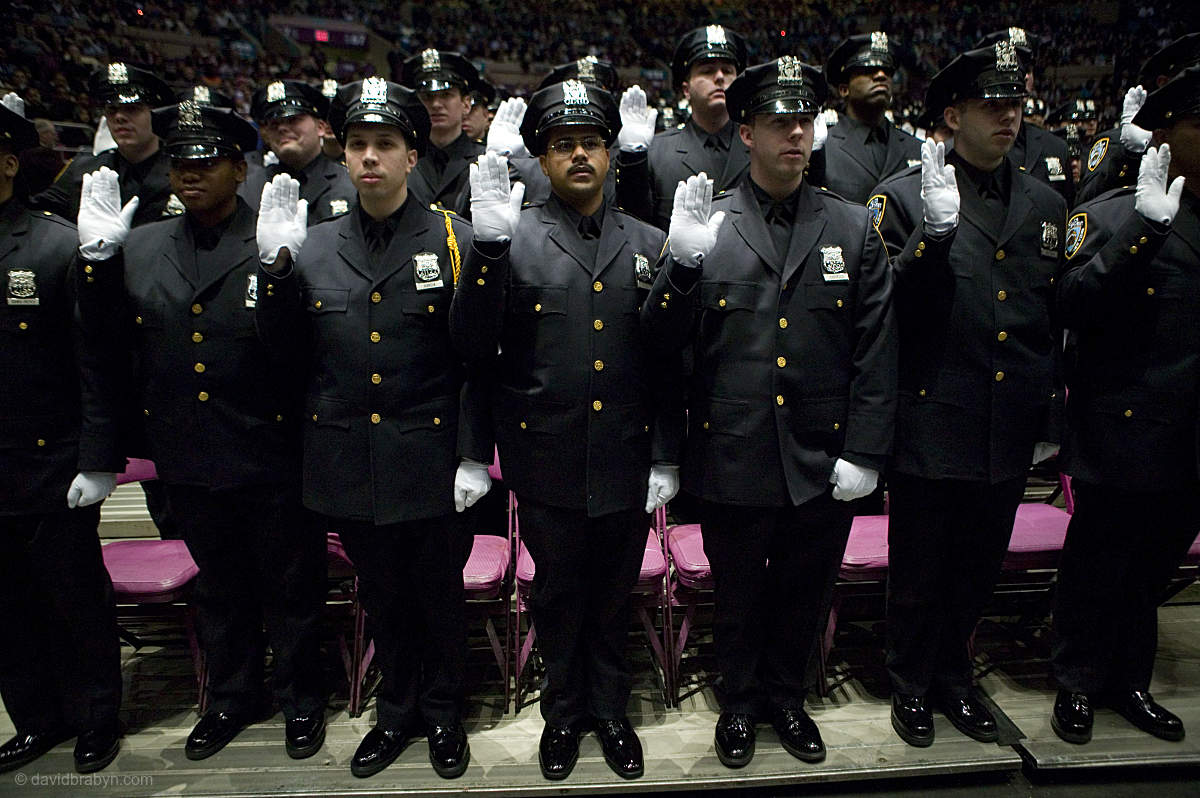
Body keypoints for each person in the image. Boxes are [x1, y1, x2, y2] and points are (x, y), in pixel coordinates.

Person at [642, 56, 897, 768]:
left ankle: (787, 698)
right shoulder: (706, 224)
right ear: (746, 132)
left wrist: (867, 450)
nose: (795, 134)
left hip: (823, 453)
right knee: (739, 595)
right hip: (733, 451)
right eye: (778, 122)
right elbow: (660, 346)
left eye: (804, 121)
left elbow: (877, 348)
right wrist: (682, 267)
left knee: (804, 590)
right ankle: (739, 702)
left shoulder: (851, 225)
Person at [254, 77, 504, 780]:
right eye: (358, 143)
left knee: (439, 595)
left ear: (410, 155)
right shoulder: (313, 243)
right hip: (350, 459)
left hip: (429, 458)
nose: (369, 157)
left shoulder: (452, 238)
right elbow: (285, 357)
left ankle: (446, 710)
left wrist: (470, 453)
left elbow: (475, 360)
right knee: (384, 597)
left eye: (385, 144)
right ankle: (397, 711)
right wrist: (273, 272)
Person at [73, 101, 328, 762]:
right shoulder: (145, 243)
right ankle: (231, 698)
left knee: (290, 588)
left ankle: (303, 698)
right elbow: (105, 345)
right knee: (219, 589)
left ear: (238, 167)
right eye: (180, 162)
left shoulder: (274, 237)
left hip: (271, 449)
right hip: (187, 451)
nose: (189, 174)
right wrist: (97, 264)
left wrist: (278, 275)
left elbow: (301, 352)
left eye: (206, 162)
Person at [451, 81, 679, 782]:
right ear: (541, 160)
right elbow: (470, 346)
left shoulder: (649, 240)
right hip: (543, 455)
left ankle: (611, 712)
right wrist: (485, 256)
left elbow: (673, 360)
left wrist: (667, 455)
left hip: (625, 452)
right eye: (562, 145)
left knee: (615, 594)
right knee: (555, 594)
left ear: (611, 154)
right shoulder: (508, 237)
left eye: (591, 143)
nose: (579, 155)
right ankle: (564, 712)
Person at [870, 42, 1066, 748]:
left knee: (979, 568)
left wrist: (1046, 413)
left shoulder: (1045, 199)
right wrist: (936, 233)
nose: (1008, 117)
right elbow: (888, 311)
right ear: (952, 116)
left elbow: (1047, 313)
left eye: (1015, 105)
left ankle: (956, 676)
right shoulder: (900, 196)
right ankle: (912, 684)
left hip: (1006, 421)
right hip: (933, 414)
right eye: (992, 106)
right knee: (921, 570)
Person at [1051, 66, 1200, 746]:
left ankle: (1128, 681)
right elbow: (1072, 304)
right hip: (1124, 428)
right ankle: (1078, 682)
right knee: (1099, 564)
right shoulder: (1113, 211)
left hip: (1189, 439)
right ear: (1166, 134)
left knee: (1150, 573)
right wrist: (1141, 233)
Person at [0, 93, 123, 777]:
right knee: (6, 606)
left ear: (11, 162)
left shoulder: (52, 245)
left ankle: (96, 715)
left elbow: (94, 360)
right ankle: (35, 717)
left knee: (72, 596)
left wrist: (99, 455)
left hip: (47, 459)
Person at [615, 25, 749, 230]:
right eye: (707, 71)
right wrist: (632, 158)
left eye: (728, 71)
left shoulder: (759, 146)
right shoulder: (657, 152)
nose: (720, 77)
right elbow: (638, 226)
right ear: (686, 90)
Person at [33, 63, 175, 225]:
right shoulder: (83, 168)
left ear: (157, 116)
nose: (119, 117)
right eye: (112, 110)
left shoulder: (181, 171)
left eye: (132, 108)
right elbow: (36, 213)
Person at [1075, 34, 1200, 206]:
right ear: (1163, 83)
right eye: (1190, 78)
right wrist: (1130, 156)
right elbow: (1087, 205)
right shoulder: (1118, 143)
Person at [808, 32, 921, 205]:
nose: (881, 75)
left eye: (888, 71)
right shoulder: (821, 148)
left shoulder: (917, 148)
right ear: (844, 89)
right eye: (868, 70)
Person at [975, 28, 1074, 205]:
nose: (1024, 76)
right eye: (1012, 65)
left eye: (1027, 68)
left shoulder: (1056, 148)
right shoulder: (971, 147)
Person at [241, 80, 354, 224]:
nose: (281, 128)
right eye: (274, 124)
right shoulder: (249, 188)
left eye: (293, 119)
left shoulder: (350, 183)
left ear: (320, 127)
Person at [401, 50, 486, 208]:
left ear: (466, 104)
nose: (436, 105)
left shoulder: (485, 158)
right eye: (427, 97)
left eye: (446, 95)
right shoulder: (401, 159)